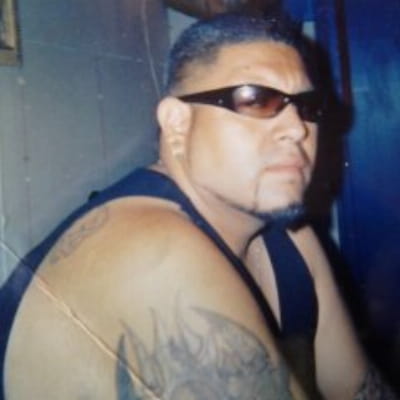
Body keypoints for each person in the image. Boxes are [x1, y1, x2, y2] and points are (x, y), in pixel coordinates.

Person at [0, 12, 397, 400]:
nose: (297, 129)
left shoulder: (290, 236)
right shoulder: (154, 254)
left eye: (307, 107)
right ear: (177, 123)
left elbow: (355, 386)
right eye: (256, 99)